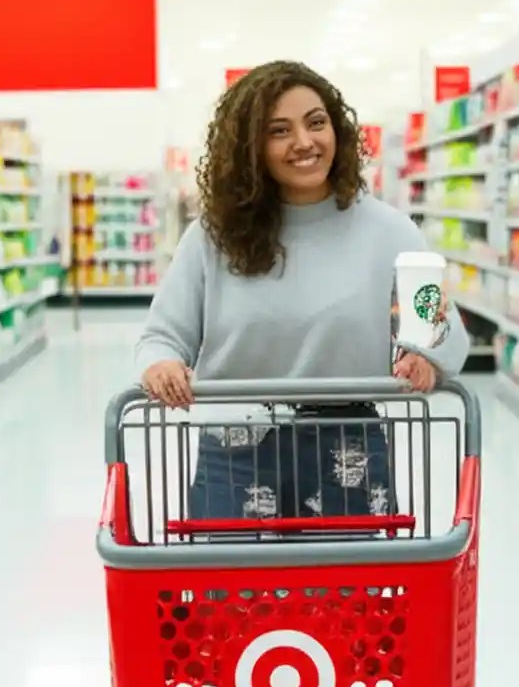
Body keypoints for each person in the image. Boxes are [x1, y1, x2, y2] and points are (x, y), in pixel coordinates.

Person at [135, 60, 469, 522]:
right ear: (250, 148)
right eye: (279, 131)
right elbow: (161, 335)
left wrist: (427, 355)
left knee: (344, 594)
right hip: (235, 448)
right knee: (235, 593)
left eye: (316, 123)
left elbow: (439, 330)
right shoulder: (213, 236)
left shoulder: (390, 233)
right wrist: (162, 365)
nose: (304, 142)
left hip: (346, 449)